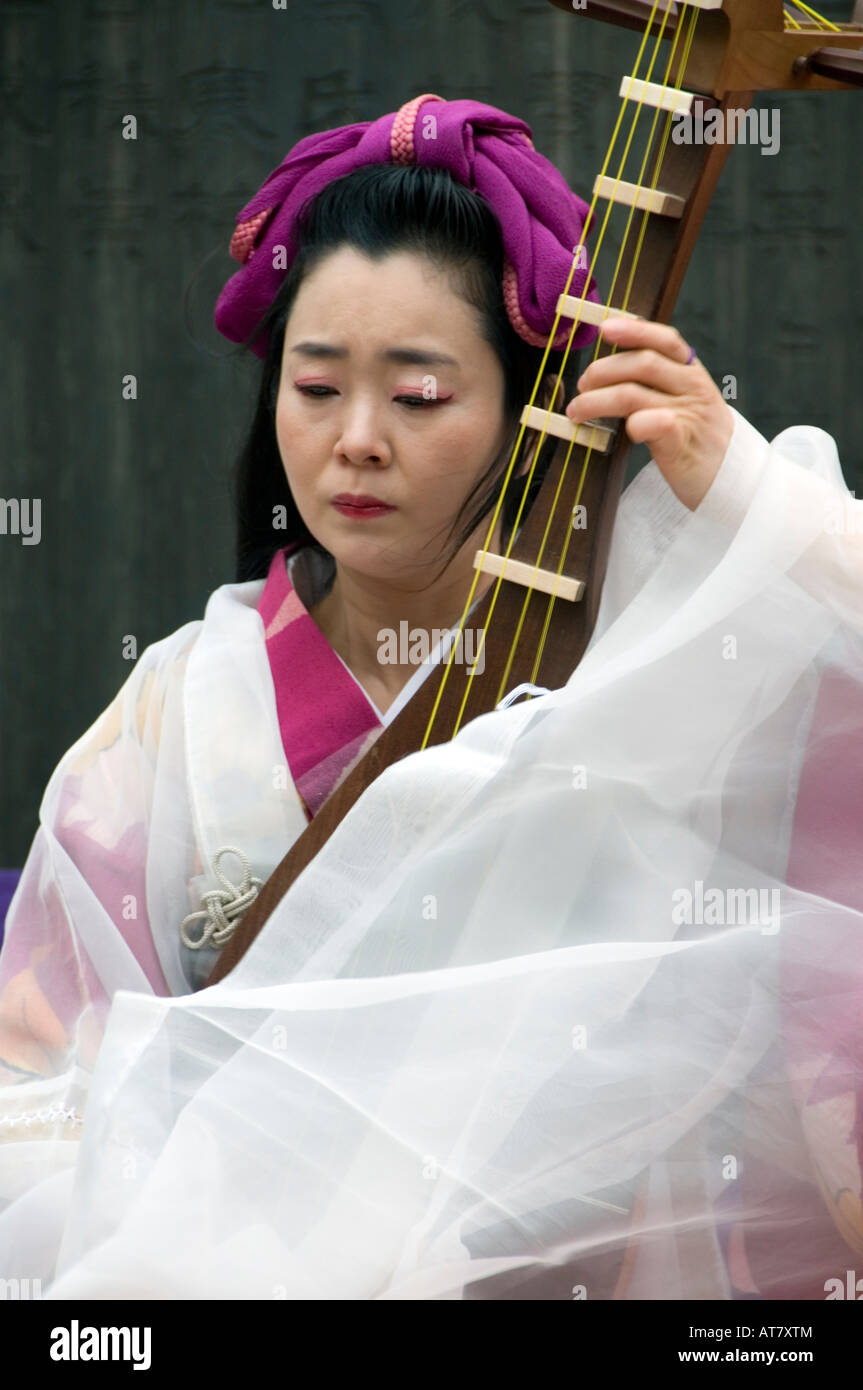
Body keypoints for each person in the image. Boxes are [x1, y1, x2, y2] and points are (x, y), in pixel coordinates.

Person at [1, 95, 861, 1301]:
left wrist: (756, 504)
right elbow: (33, 1084)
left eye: (417, 396)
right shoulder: (182, 708)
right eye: (314, 388)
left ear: (530, 417)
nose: (355, 440)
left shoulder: (648, 670)